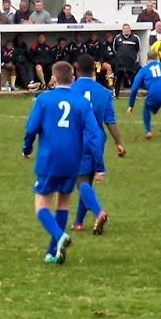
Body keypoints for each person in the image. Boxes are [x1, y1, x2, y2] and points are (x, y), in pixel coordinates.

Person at [21, 60, 103, 265]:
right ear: (72, 79)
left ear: (53, 79)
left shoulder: (43, 99)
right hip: (73, 161)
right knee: (63, 203)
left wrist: (27, 148)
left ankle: (59, 236)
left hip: (49, 159)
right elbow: (95, 134)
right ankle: (52, 252)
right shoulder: (82, 103)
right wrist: (99, 163)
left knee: (41, 205)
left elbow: (31, 129)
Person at [69, 54, 125, 235]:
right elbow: (110, 119)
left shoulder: (70, 90)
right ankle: (78, 222)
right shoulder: (103, 92)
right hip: (97, 139)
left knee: (81, 181)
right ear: (95, 69)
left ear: (77, 69)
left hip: (76, 138)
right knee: (87, 182)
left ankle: (99, 212)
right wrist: (118, 143)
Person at [112, 23, 142, 92]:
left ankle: (134, 94)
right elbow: (114, 49)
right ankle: (116, 94)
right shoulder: (117, 37)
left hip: (131, 63)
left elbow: (139, 49)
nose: (126, 30)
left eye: (127, 28)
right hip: (120, 63)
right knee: (118, 79)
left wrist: (133, 57)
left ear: (130, 29)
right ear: (122, 30)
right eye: (125, 29)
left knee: (133, 79)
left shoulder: (135, 38)